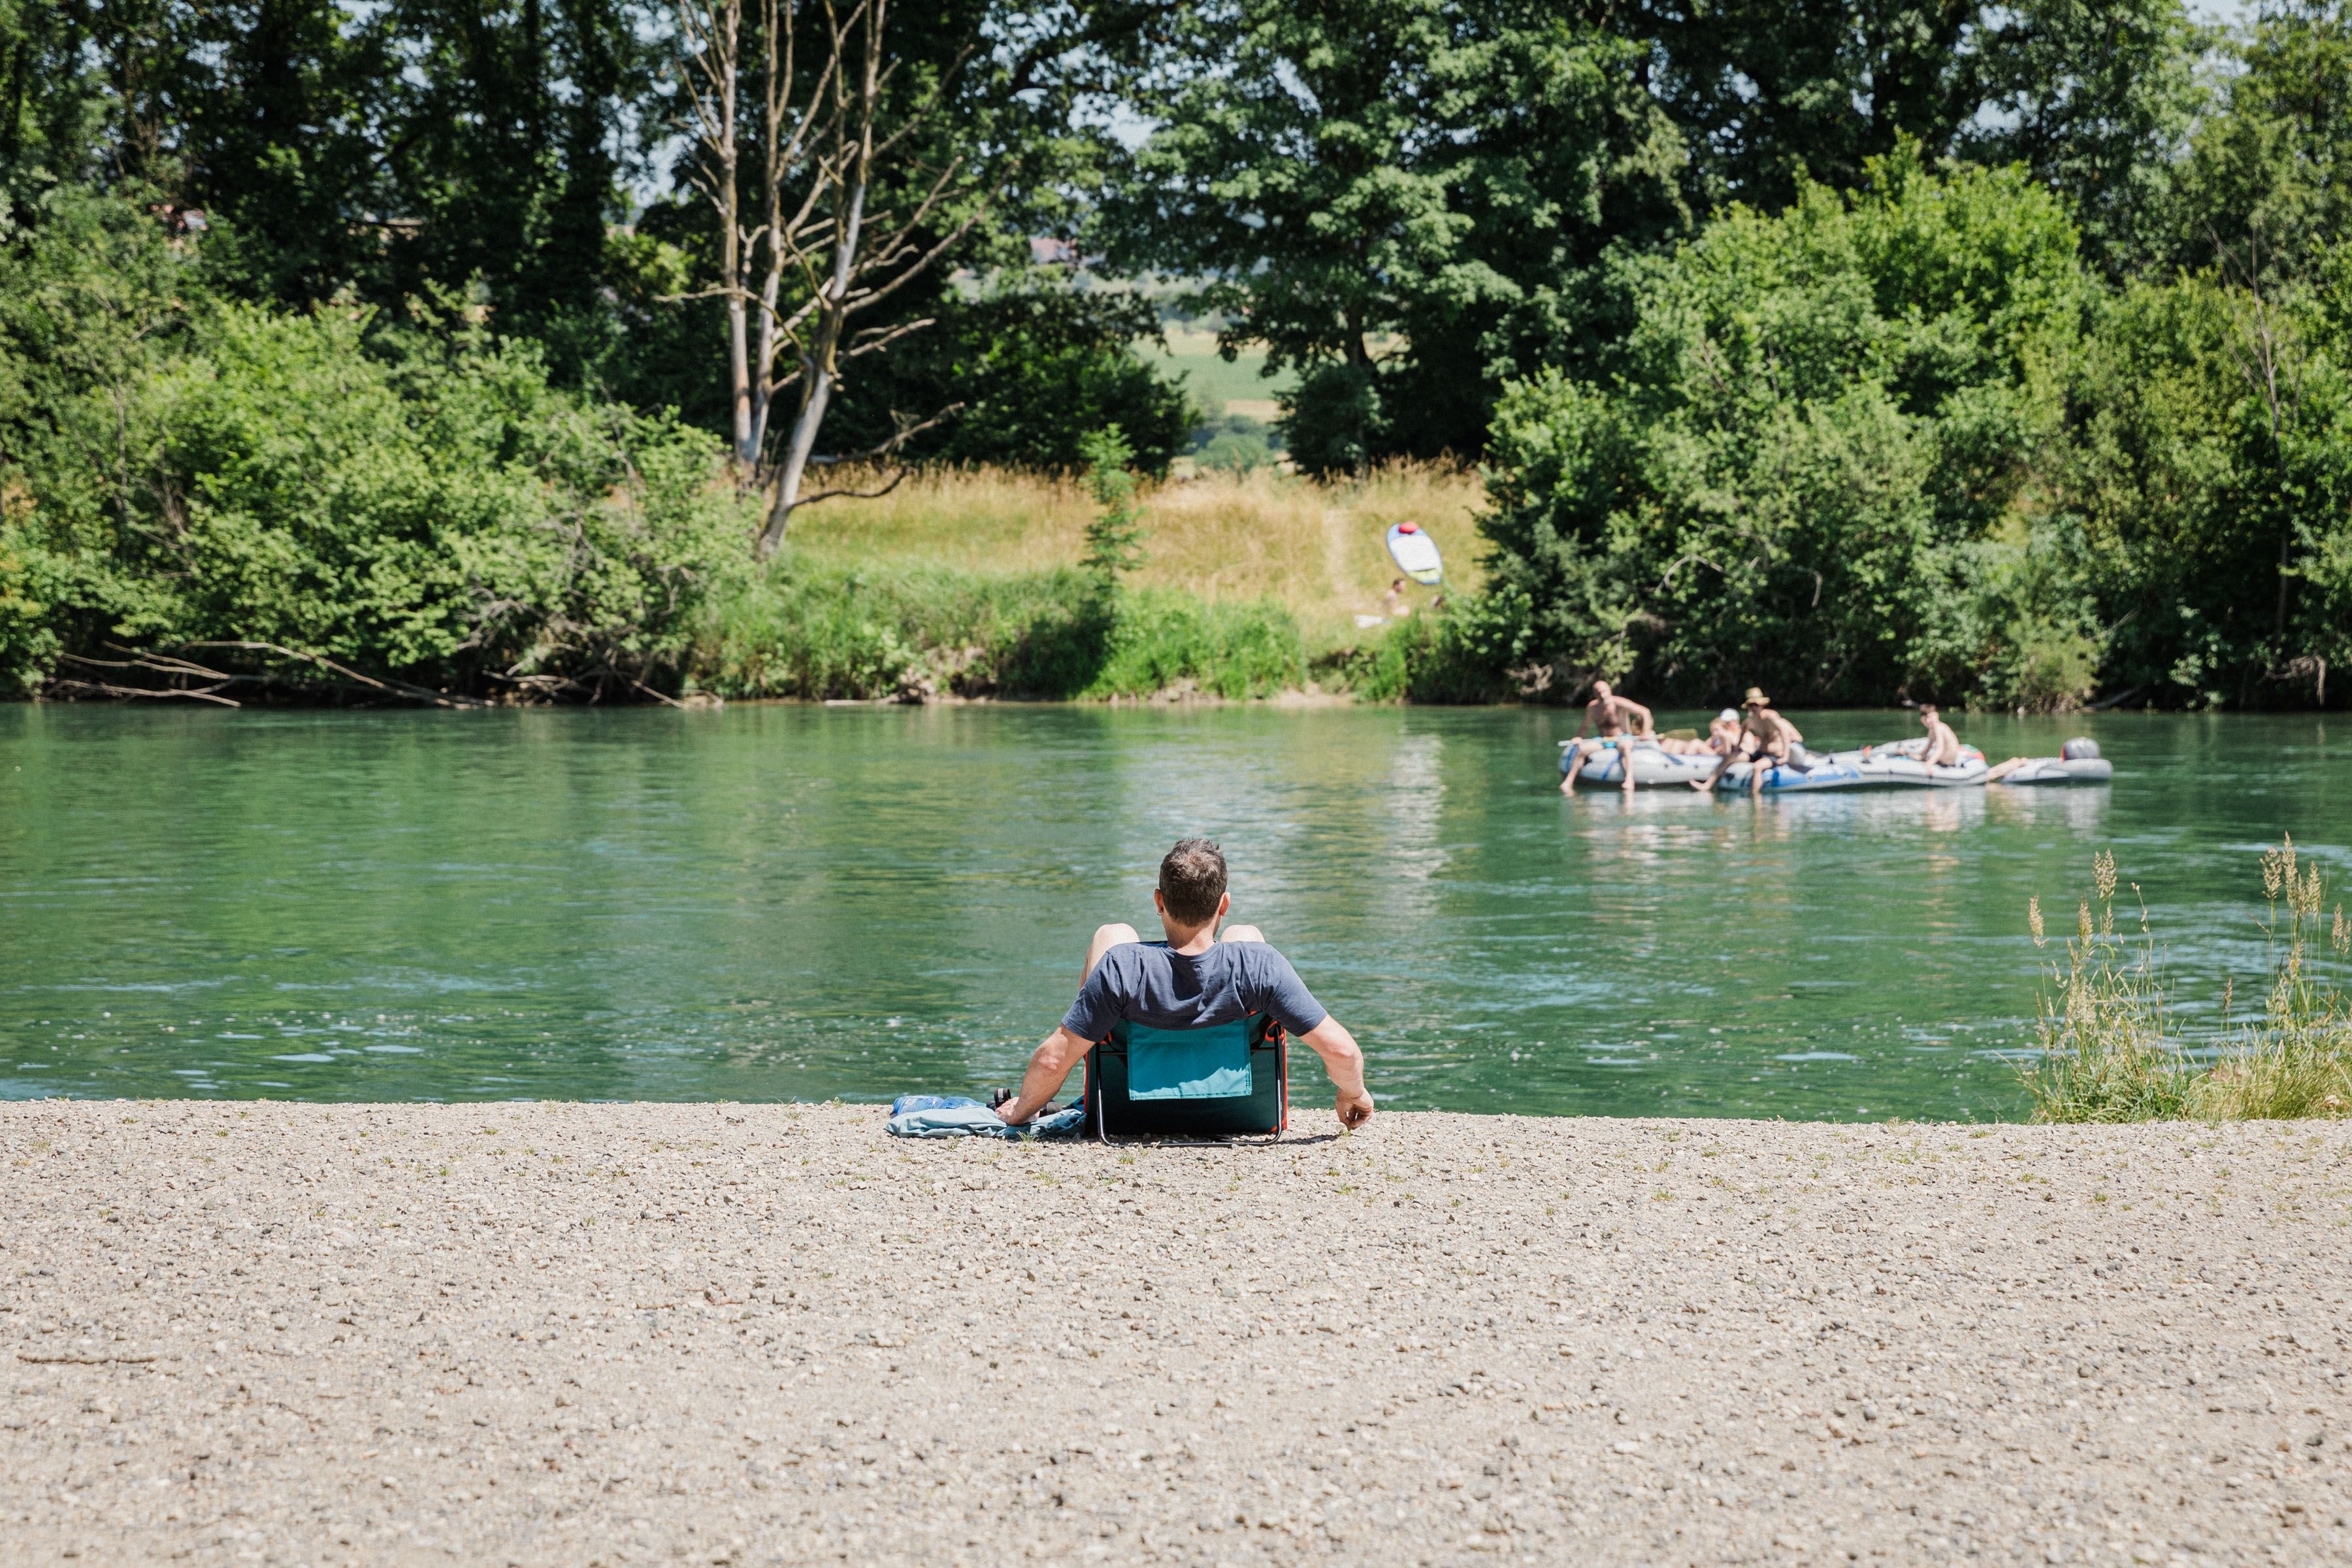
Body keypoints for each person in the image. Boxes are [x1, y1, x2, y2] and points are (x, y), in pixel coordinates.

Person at [993, 838, 1375, 1132]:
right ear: (1223, 905)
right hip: (1240, 1116)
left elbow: (1052, 1059)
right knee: (1246, 937)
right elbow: (1343, 1054)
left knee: (1114, 934)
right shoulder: (1259, 966)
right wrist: (1354, 1094)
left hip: (1125, 1114)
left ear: (1159, 901)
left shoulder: (1122, 967)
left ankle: (1095, 1091)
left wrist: (1020, 1110)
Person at [1558, 679, 1658, 796]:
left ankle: (1629, 780)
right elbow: (1585, 725)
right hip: (1603, 739)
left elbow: (1645, 712)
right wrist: (1579, 737)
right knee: (1582, 749)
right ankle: (1569, 781)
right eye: (1599, 693)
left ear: (1609, 690)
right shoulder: (1593, 707)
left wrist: (1645, 732)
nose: (1602, 695)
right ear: (1595, 694)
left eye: (1604, 691)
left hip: (1622, 737)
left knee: (1625, 747)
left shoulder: (1619, 704)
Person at [1699, 689, 1805, 795]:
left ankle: (1755, 798)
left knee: (1757, 767)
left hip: (1773, 755)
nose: (1753, 708)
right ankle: (1707, 785)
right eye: (1751, 705)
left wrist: (1785, 756)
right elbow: (1743, 728)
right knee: (1729, 758)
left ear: (1761, 705)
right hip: (1760, 753)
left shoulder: (1771, 716)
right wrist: (1738, 746)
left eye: (1756, 705)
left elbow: (1784, 732)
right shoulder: (1751, 718)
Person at [1867, 703, 1962, 769]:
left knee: (1905, 757)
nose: (1929, 721)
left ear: (1936, 715)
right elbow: (1925, 752)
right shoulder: (1932, 731)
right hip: (1941, 761)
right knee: (1904, 755)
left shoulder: (1939, 728)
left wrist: (1928, 764)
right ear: (1922, 720)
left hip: (1946, 763)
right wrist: (1910, 754)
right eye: (1926, 718)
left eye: (1931, 717)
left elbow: (1940, 750)